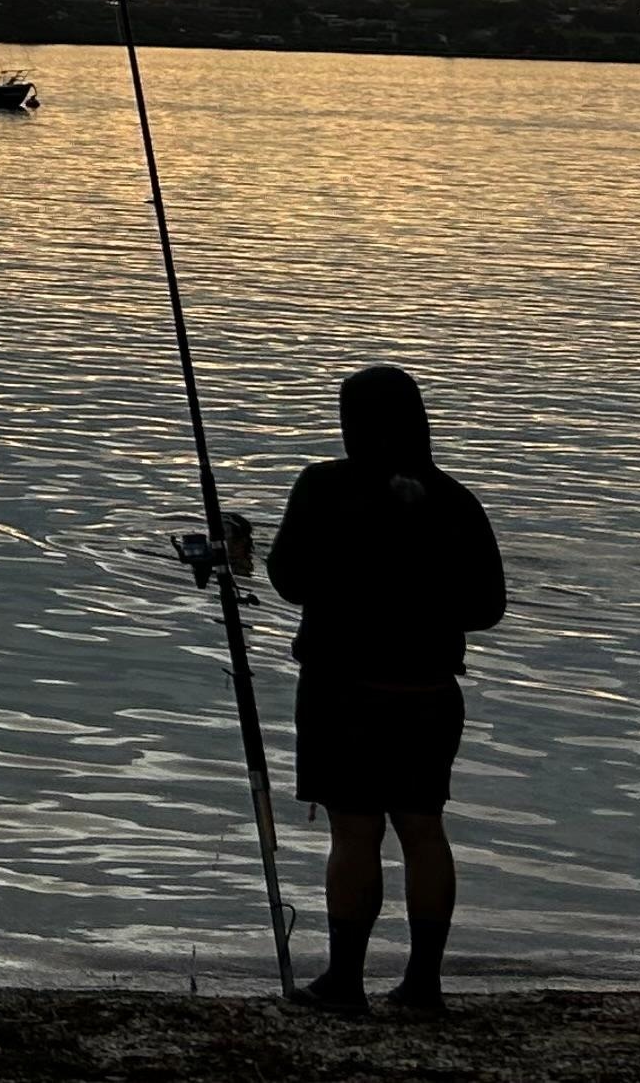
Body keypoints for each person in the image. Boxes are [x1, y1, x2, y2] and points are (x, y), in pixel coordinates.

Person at [263, 365, 506, 1016]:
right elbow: (488, 608)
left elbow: (287, 578)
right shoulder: (455, 500)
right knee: (423, 830)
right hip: (430, 697)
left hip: (343, 694)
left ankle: (345, 983)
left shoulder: (323, 486)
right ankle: (422, 987)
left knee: (355, 832)